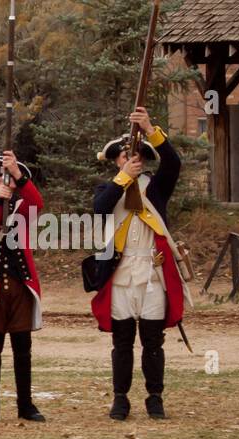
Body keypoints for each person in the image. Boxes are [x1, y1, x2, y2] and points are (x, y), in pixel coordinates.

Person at [88, 107, 189, 420]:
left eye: (138, 157)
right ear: (118, 160)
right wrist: (123, 179)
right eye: (126, 157)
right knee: (121, 343)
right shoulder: (108, 189)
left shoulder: (155, 189)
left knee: (153, 341)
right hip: (120, 275)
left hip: (152, 272)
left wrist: (149, 128)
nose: (133, 161)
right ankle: (120, 400)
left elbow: (173, 163)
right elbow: (99, 209)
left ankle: (155, 398)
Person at [0, 150, 45, 422]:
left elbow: (37, 203)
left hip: (20, 287)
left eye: (7, 180)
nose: (3, 184)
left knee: (22, 349)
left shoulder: (23, 208)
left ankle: (26, 405)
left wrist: (17, 174)